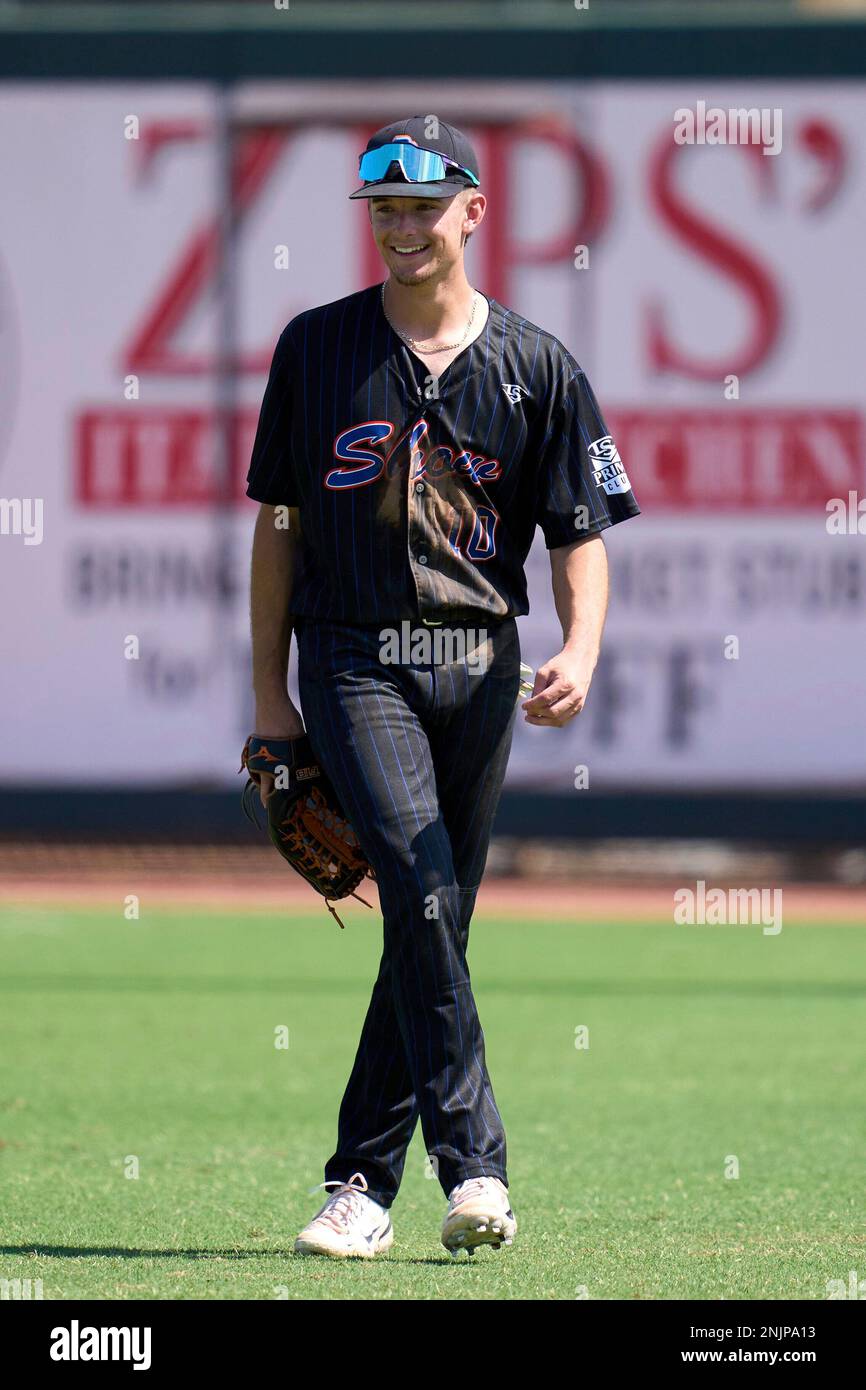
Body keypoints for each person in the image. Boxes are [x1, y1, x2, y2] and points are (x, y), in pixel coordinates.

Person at [245, 116, 640, 1258]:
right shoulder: (315, 349)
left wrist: (581, 646)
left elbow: (580, 529)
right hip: (355, 651)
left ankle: (360, 1189)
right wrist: (270, 697)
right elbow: (276, 526)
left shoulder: (536, 364)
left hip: (480, 662)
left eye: (425, 204)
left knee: (431, 916)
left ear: (473, 211)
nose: (403, 225)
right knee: (420, 886)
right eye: (384, 206)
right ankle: (474, 1170)